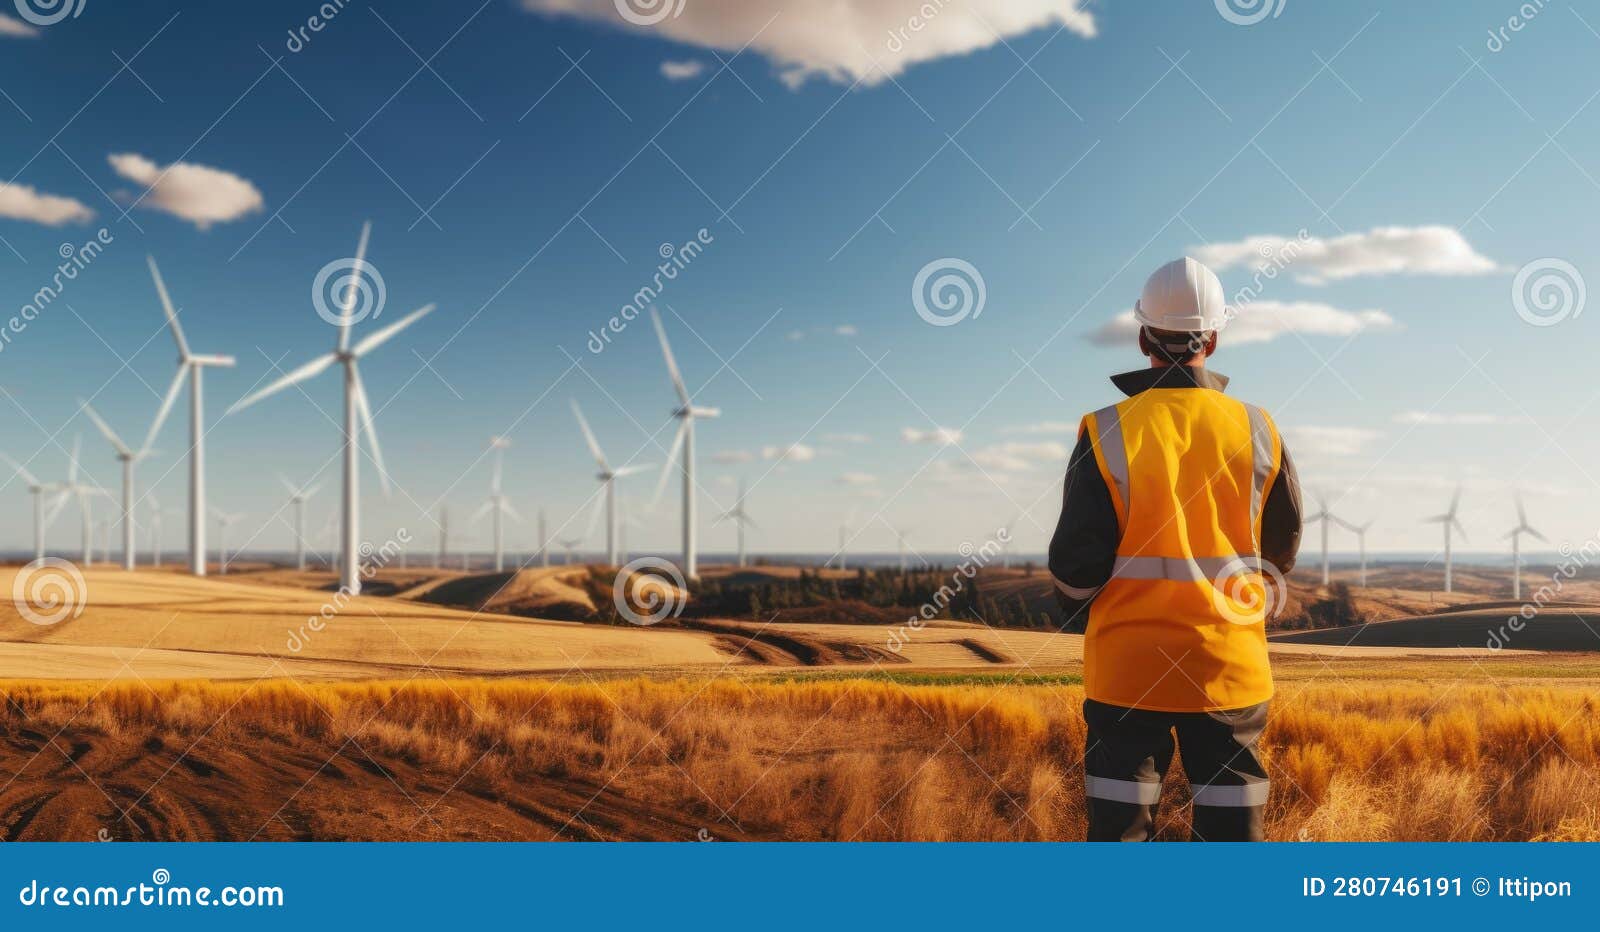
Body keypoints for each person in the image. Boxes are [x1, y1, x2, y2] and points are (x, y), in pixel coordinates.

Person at [1048, 257, 1302, 842]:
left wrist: (1087, 614)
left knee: (1121, 841)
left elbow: (1076, 564)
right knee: (1231, 845)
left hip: (1126, 675)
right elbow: (1280, 550)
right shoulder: (1260, 428)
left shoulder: (1106, 429)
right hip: (1229, 671)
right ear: (1212, 338)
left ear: (1142, 337)